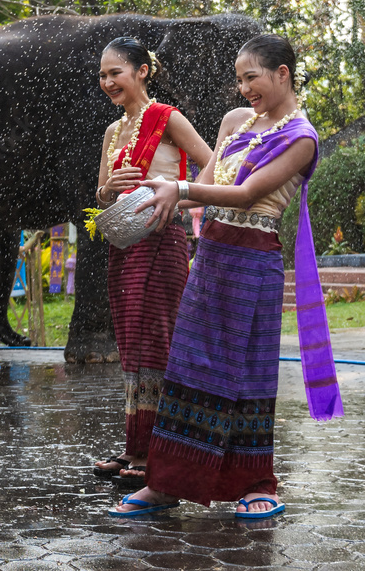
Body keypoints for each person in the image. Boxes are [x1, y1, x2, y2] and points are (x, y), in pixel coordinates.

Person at [111, 34, 343, 518]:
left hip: (254, 263)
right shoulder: (235, 122)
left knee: (246, 374)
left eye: (251, 77)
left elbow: (245, 194)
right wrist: (155, 200)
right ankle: (167, 482)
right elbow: (208, 188)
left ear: (282, 73)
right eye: (239, 80)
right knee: (188, 365)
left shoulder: (302, 138)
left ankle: (257, 483)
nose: (244, 90)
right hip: (212, 255)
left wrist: (177, 186)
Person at [91, 37, 213, 483]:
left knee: (155, 339)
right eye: (103, 75)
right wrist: (109, 189)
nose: (107, 82)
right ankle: (135, 448)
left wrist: (180, 196)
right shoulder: (112, 132)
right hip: (124, 239)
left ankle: (157, 452)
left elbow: (211, 161)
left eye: (115, 73)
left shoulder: (168, 119)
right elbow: (102, 193)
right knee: (130, 340)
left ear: (142, 71)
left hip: (163, 240)